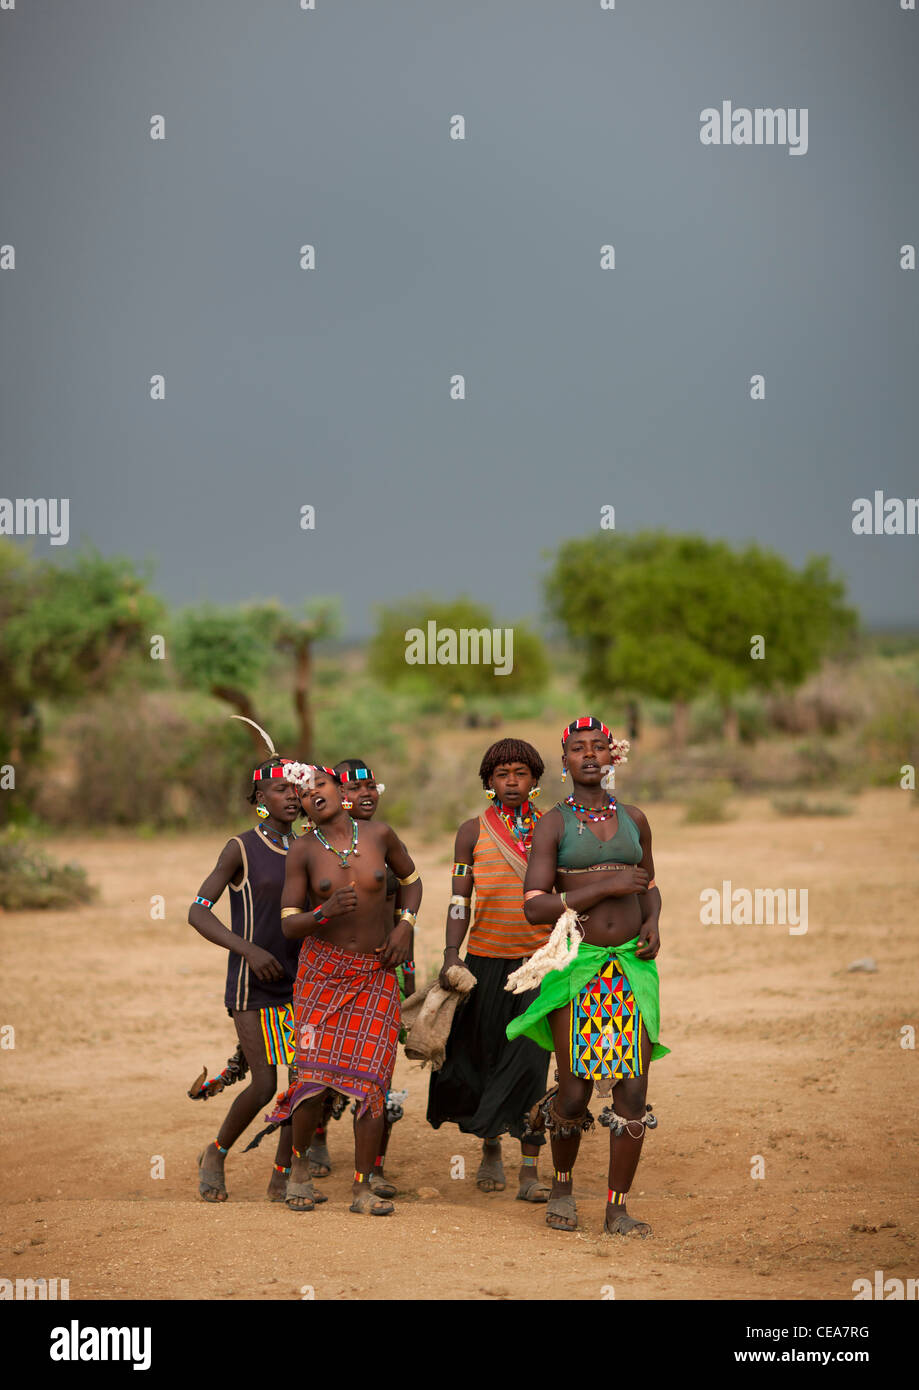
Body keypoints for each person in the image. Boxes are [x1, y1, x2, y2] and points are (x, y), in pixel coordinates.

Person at [508, 716, 669, 1236]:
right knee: (574, 1092)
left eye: (599, 747)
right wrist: (604, 888)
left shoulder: (635, 819)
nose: (590, 755)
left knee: (633, 1092)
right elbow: (535, 906)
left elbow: (649, 885)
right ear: (565, 762)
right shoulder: (552, 824)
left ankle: (617, 1209)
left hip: (629, 968)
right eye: (578, 749)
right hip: (577, 967)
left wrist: (653, 921)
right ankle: (561, 1184)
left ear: (612, 758)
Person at [266, 763, 421, 1215]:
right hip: (321, 975)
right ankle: (296, 1174)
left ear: (338, 790)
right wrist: (324, 911)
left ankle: (362, 1187)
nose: (313, 794)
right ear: (301, 808)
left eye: (320, 784)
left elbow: (412, 883)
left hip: (376, 971)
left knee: (373, 1079)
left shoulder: (379, 836)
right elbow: (289, 923)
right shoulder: (302, 851)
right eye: (303, 792)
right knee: (311, 1079)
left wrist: (404, 927)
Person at [427, 739, 553, 1203]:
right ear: (489, 783)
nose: (512, 782)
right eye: (502, 775)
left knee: (531, 1064)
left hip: (541, 965)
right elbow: (460, 900)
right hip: (483, 961)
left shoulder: (555, 827)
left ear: (535, 780)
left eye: (521, 773)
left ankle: (530, 1169)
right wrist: (451, 953)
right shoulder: (471, 831)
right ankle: (491, 1146)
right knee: (485, 1057)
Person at [188, 726, 303, 1204]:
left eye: (298, 790)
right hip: (251, 985)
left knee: (302, 1088)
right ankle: (216, 1152)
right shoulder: (240, 848)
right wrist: (249, 951)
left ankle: (282, 1175)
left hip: (303, 981)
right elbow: (197, 910)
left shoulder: (309, 847)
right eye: (281, 789)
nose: (292, 798)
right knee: (264, 1084)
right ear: (259, 796)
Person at [305, 758, 411, 1198]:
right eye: (353, 789)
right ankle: (314, 1144)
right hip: (329, 969)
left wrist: (406, 938)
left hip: (384, 964)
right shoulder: (314, 846)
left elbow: (408, 893)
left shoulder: (382, 839)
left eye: (371, 787)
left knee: (377, 1072)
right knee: (322, 1069)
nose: (364, 795)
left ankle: (373, 1171)